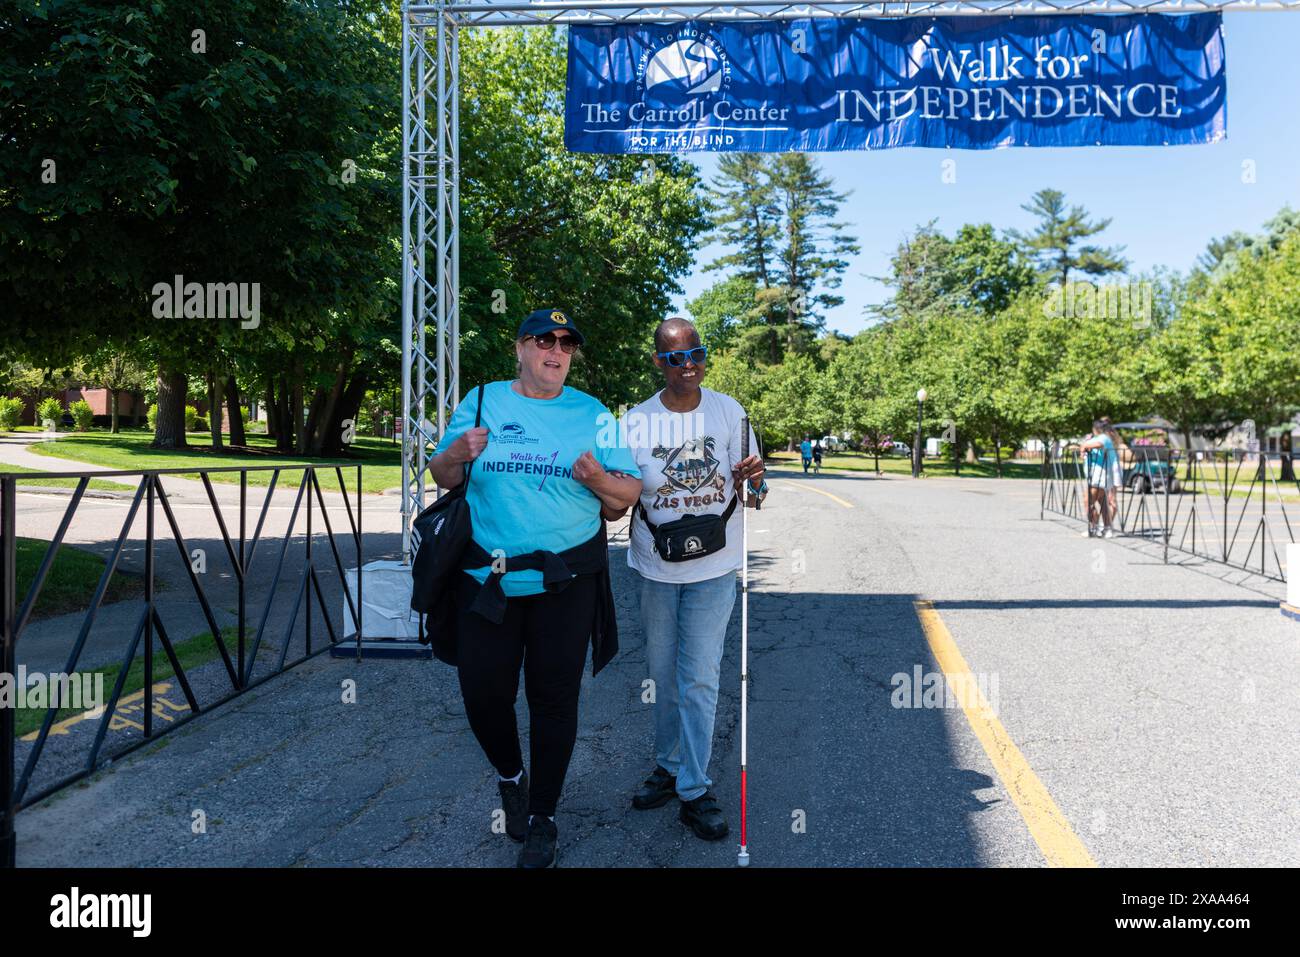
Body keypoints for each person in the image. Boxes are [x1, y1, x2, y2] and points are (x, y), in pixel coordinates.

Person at [427, 307, 641, 868]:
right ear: (520, 347)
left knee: (553, 700)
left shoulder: (593, 413)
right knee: (484, 694)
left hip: (565, 582)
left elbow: (625, 498)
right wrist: (454, 453)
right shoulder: (480, 400)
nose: (557, 351)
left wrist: (597, 478)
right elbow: (443, 476)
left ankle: (543, 814)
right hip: (486, 580)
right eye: (545, 340)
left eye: (567, 344)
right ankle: (510, 775)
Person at [608, 316, 767, 841]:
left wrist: (756, 483)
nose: (689, 365)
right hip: (655, 563)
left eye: (696, 354)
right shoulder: (634, 422)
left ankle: (695, 789)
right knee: (662, 674)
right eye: (675, 358)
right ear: (659, 362)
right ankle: (670, 764)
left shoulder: (729, 411)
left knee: (698, 676)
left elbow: (755, 492)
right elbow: (620, 498)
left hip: (714, 565)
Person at [1079, 419, 1118, 538]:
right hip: (1096, 475)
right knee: (1102, 502)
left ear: (1095, 429)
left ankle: (1094, 527)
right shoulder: (1097, 438)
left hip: (1100, 476)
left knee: (1088, 500)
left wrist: (1084, 446)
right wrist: (1085, 446)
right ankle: (1106, 528)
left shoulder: (1103, 438)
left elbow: (1098, 444)